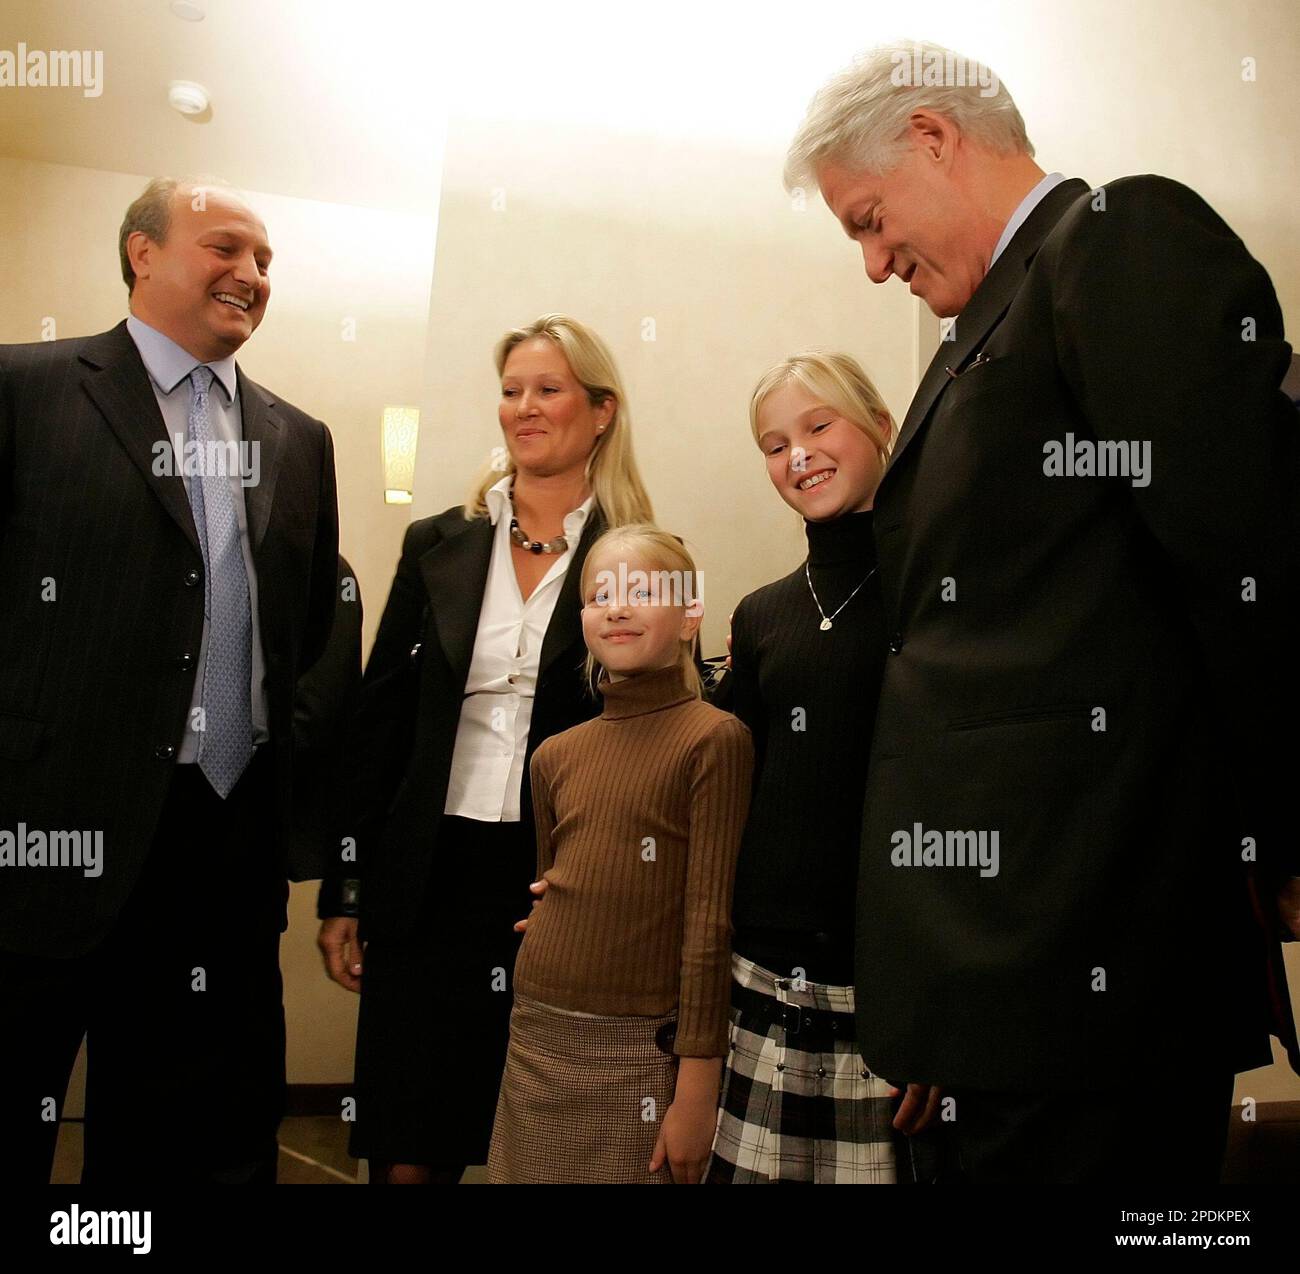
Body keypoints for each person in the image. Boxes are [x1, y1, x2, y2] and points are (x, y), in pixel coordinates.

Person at [783, 40, 1300, 1183]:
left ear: (931, 136)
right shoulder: (975, 333)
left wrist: (1281, 835)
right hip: (999, 975)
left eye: (868, 220)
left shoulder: (1118, 237)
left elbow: (1243, 557)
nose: (873, 264)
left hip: (1090, 945)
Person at [0, 176, 340, 1185]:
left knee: (185, 1148)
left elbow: (309, 641)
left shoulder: (302, 440)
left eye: (266, 260)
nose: (252, 274)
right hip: (42, 836)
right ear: (142, 253)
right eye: (225, 248)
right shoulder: (24, 390)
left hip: (219, 853)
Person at [318, 314, 654, 1183]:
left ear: (602, 409)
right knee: (408, 1149)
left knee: (534, 1140)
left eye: (548, 389)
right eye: (511, 391)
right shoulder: (439, 541)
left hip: (549, 877)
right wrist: (346, 886)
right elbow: (378, 723)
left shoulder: (637, 553)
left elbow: (645, 739)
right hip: (426, 869)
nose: (524, 409)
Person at [706, 351, 940, 1184]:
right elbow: (722, 783)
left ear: (882, 426)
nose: (796, 454)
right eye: (774, 444)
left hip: (887, 982)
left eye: (817, 426)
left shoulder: (936, 595)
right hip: (764, 979)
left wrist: (942, 1010)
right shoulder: (761, 614)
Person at [488, 525, 753, 1183]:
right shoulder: (555, 755)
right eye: (600, 593)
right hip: (538, 1035)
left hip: (637, 1047)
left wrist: (696, 1085)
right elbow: (552, 878)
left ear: (691, 614)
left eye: (642, 590)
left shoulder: (713, 741)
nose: (617, 605)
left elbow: (707, 924)